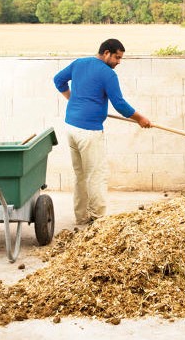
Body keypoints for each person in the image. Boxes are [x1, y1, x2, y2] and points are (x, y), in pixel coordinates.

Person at [53, 38, 151, 228]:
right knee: (96, 175)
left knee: (80, 175)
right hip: (89, 133)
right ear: (106, 53)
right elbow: (120, 105)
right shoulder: (108, 74)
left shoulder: (79, 63)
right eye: (117, 57)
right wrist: (140, 119)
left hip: (71, 128)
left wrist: (72, 100)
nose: (118, 62)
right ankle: (98, 220)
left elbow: (58, 80)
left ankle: (81, 218)